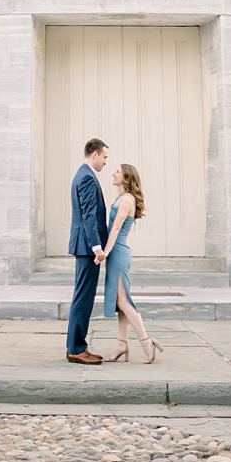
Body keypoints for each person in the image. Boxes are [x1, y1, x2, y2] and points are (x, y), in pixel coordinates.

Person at [101, 161, 164, 364]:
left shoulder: (127, 199)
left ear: (126, 177)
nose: (113, 174)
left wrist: (105, 252)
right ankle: (121, 344)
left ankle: (146, 341)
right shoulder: (122, 198)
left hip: (118, 253)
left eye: (117, 172)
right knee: (120, 302)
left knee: (124, 302)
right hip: (116, 254)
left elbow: (116, 228)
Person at [65, 136, 108, 365]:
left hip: (84, 245)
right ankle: (77, 349)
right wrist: (97, 247)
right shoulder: (87, 178)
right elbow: (89, 215)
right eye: (104, 157)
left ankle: (75, 346)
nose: (105, 162)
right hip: (87, 247)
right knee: (83, 297)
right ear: (95, 154)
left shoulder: (83, 175)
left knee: (82, 296)